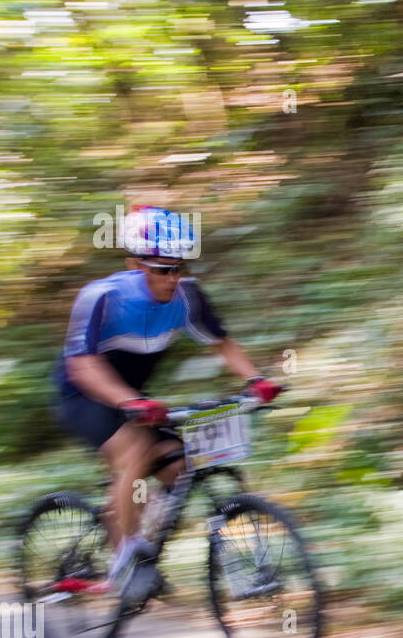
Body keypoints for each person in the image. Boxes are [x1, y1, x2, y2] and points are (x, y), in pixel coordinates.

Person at [53, 206, 283, 606]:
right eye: (161, 270)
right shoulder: (102, 297)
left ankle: (134, 531)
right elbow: (84, 366)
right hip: (82, 394)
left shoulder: (187, 296)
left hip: (135, 400)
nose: (172, 278)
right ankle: (126, 555)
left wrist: (255, 381)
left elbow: (221, 342)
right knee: (138, 452)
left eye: (178, 268)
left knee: (181, 465)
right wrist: (130, 401)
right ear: (133, 264)